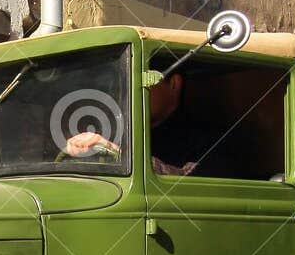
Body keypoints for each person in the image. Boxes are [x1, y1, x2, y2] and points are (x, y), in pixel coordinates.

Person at [64, 71, 201, 176]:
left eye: (140, 81)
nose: (128, 91)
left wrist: (115, 152)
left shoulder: (202, 137)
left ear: (173, 84)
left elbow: (189, 180)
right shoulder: (120, 131)